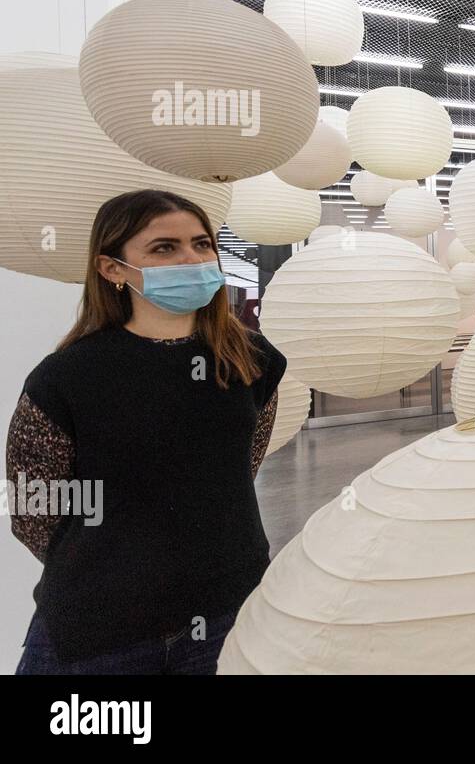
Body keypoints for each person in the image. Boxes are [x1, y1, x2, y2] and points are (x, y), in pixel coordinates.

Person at [6, 189, 286, 674]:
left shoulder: (251, 361)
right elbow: (35, 511)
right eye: (165, 248)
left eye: (202, 244)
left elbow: (241, 468)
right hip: (100, 629)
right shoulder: (67, 377)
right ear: (112, 268)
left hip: (228, 609)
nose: (192, 259)